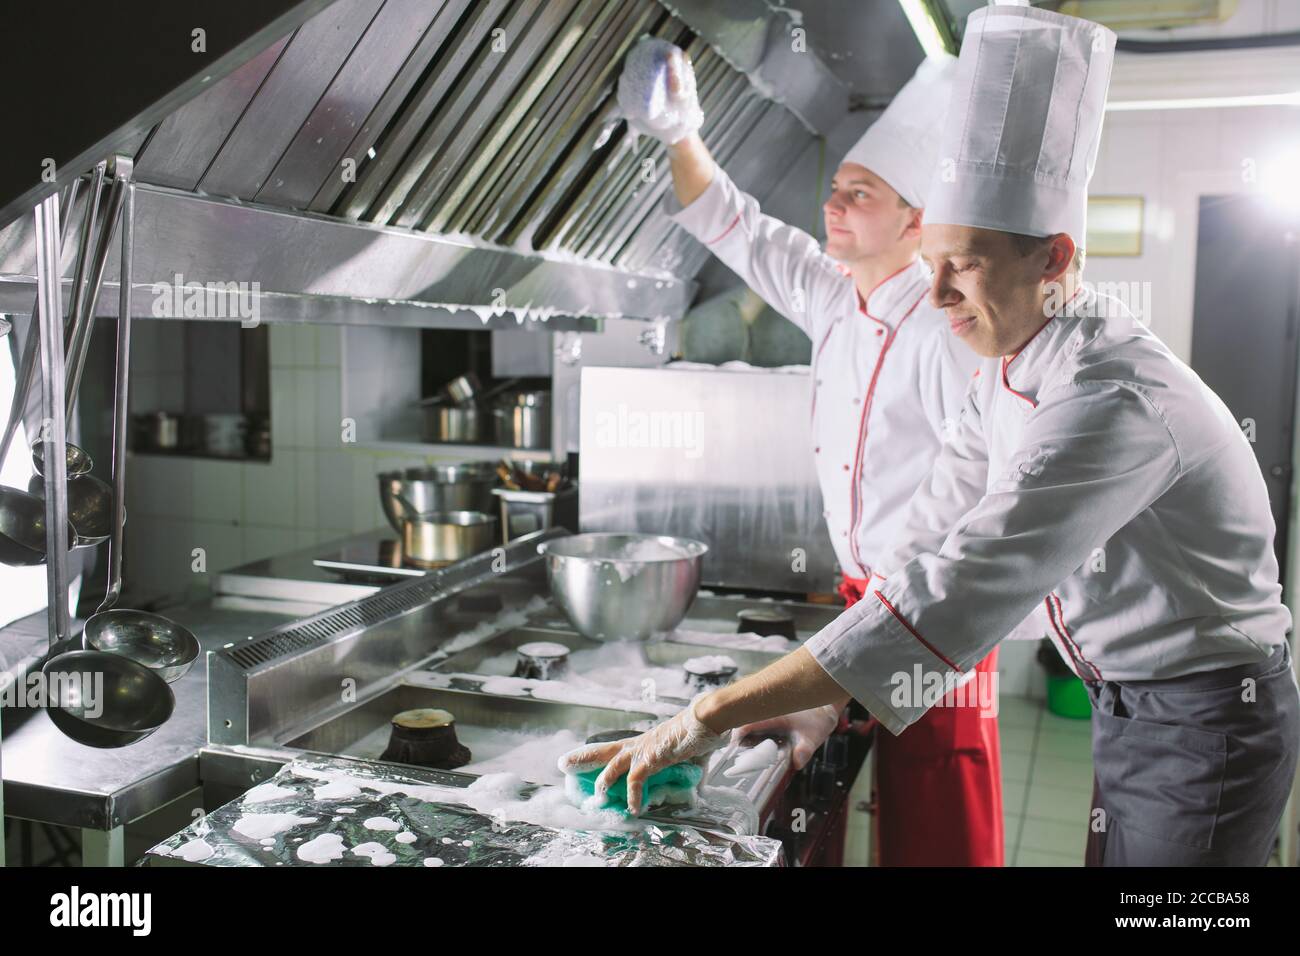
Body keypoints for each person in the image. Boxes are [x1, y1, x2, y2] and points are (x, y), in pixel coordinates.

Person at [564, 5, 1300, 866]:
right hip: (1125, 700)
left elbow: (957, 582)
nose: (940, 293)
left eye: (967, 263)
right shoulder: (1008, 361)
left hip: (1205, 711)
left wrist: (707, 714)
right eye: (933, 263)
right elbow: (929, 530)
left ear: (1055, 258)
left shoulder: (1108, 397)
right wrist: (816, 698)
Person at [613, 39, 1000, 865]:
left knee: (942, 813)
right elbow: (731, 223)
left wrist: (880, 632)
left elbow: (982, 503)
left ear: (917, 221)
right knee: (899, 815)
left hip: (939, 612)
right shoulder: (832, 295)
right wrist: (680, 131)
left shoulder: (945, 335)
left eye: (861, 196)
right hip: (864, 601)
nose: (836, 205)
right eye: (835, 187)